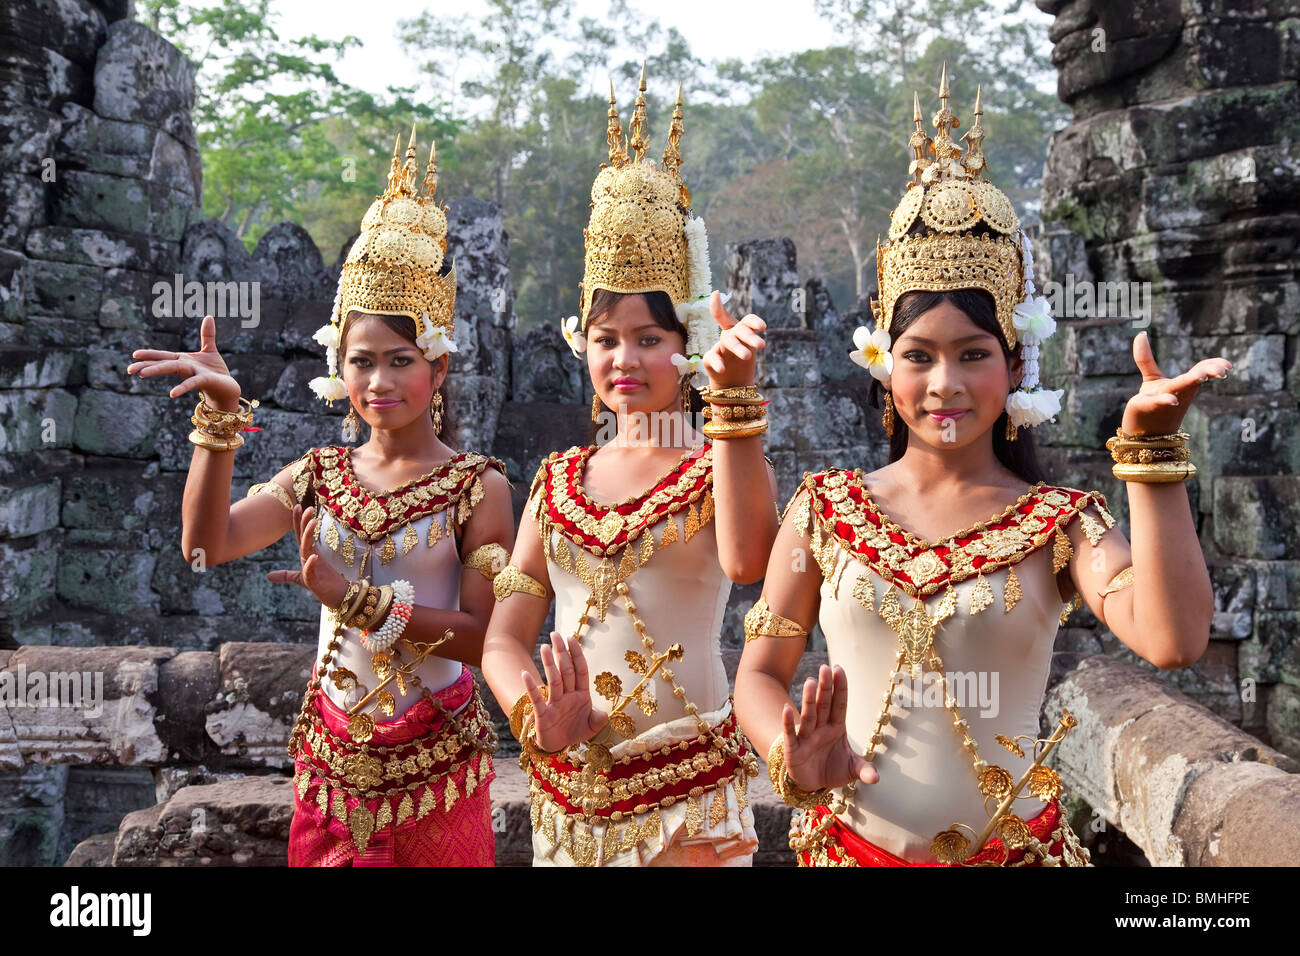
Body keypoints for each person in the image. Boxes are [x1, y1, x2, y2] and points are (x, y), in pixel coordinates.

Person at [734, 70, 1230, 867]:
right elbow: (759, 672)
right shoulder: (824, 510)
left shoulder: (1062, 524)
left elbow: (1172, 639)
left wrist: (1152, 460)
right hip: (847, 850)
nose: (945, 385)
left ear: (1015, 366)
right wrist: (790, 755)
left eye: (974, 355)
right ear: (884, 368)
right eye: (918, 357)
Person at [127, 131, 514, 866]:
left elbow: (482, 638)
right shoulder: (318, 475)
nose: (380, 383)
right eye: (362, 361)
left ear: (437, 369)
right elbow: (205, 546)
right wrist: (219, 421)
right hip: (330, 765)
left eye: (401, 361)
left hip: (435, 771)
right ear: (339, 368)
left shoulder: (478, 487)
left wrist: (355, 598)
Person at [480, 70, 779, 866]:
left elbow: (749, 561)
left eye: (649, 338)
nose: (624, 358)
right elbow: (504, 640)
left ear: (687, 343)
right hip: (570, 797)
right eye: (607, 336)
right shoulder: (557, 481)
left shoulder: (720, 462)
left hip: (692, 803)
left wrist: (736, 412)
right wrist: (531, 717)